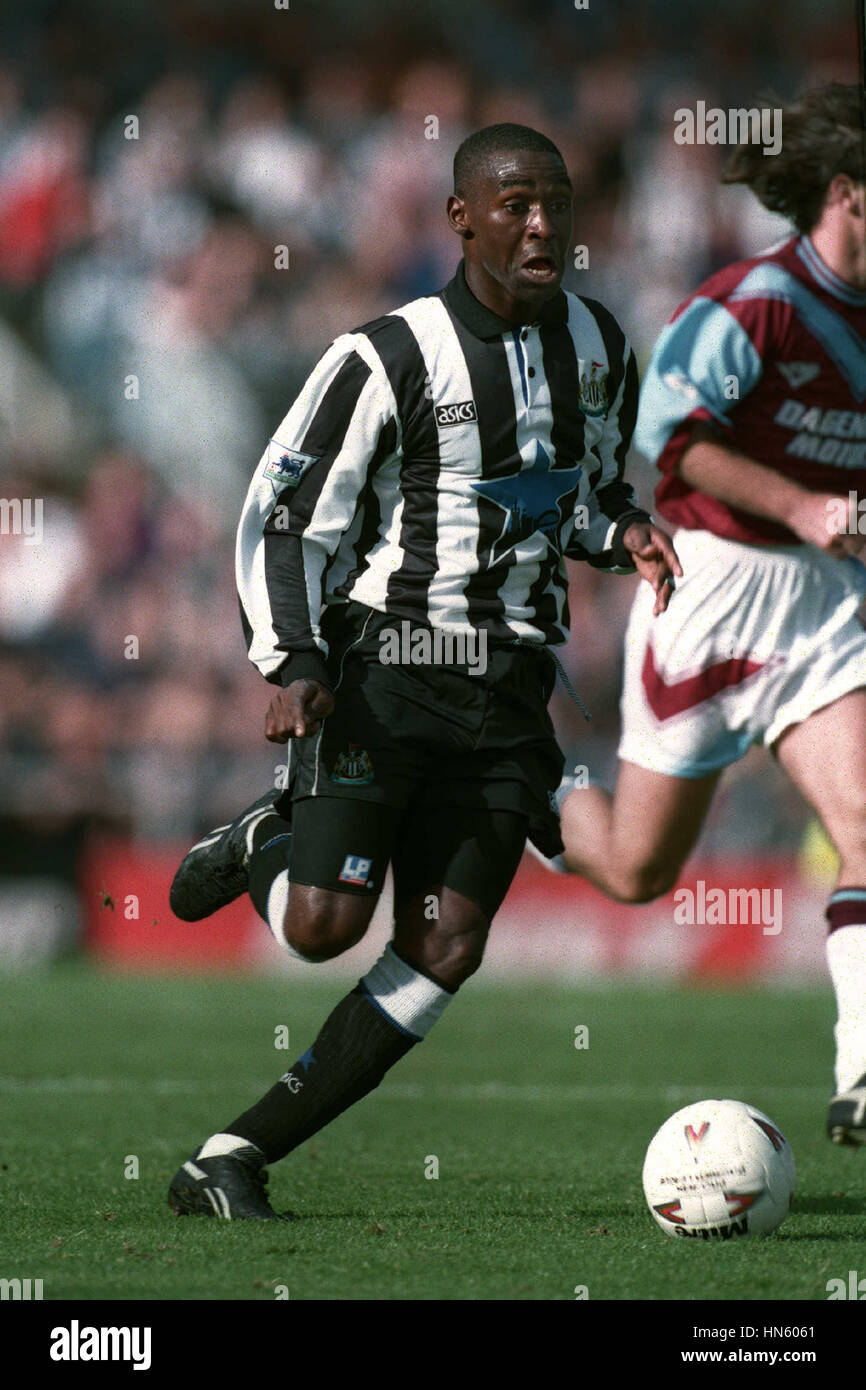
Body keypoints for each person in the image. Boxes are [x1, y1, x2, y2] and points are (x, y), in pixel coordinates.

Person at [165, 122, 679, 1219]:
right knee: (319, 929)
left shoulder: (598, 341)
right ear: (460, 217)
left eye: (555, 202)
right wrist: (294, 657)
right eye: (514, 204)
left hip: (509, 691)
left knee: (444, 944)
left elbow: (574, 490)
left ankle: (228, 1158)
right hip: (387, 672)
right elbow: (284, 515)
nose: (541, 223)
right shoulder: (384, 354)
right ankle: (263, 836)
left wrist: (620, 529)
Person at [546, 84, 866, 1145]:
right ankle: (522, 785)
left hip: (825, 606)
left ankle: (861, 1072)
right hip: (711, 588)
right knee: (637, 872)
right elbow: (668, 439)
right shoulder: (750, 301)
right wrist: (802, 503)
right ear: (845, 194)